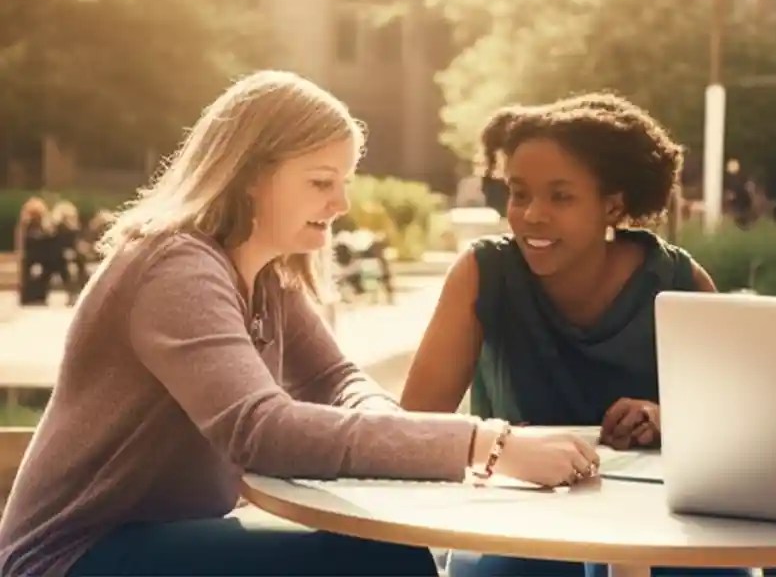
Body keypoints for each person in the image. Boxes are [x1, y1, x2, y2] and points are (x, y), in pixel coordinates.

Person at [0, 71, 598, 577]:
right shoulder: (175, 268)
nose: (340, 205)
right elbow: (260, 429)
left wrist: (401, 435)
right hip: (75, 555)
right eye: (320, 182)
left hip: (167, 537)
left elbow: (338, 380)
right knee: (377, 560)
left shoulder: (266, 275)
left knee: (384, 547)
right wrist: (485, 444)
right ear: (249, 174)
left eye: (343, 183)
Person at [401, 94, 734, 577]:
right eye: (519, 193)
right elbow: (414, 428)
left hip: (659, 527)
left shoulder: (677, 281)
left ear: (612, 206)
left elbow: (739, 432)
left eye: (561, 196)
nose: (532, 214)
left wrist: (668, 418)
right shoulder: (483, 274)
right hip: (520, 527)